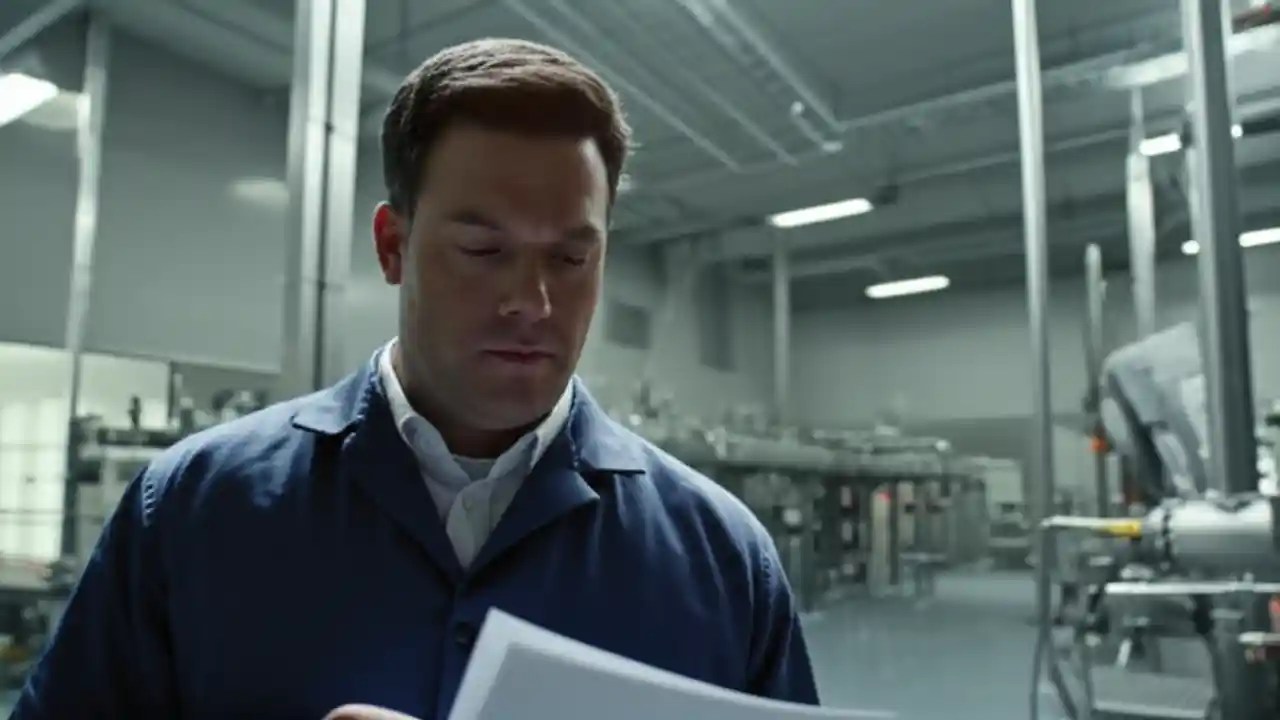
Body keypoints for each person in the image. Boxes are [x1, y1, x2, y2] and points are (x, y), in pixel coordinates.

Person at [13, 38, 818, 719]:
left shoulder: (723, 561)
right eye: (482, 251)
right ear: (392, 245)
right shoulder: (192, 510)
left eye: (571, 259)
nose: (531, 302)